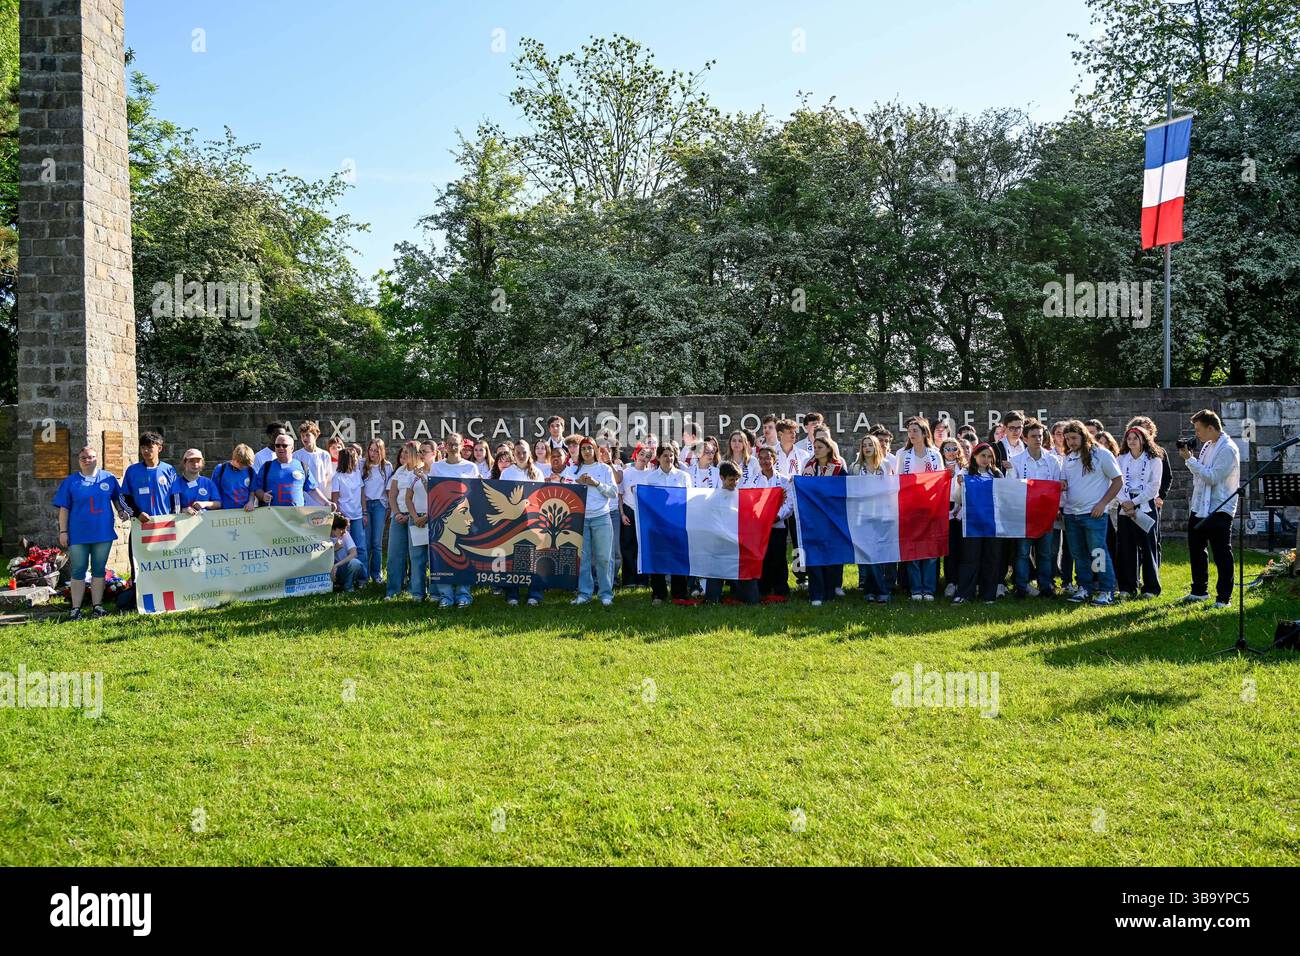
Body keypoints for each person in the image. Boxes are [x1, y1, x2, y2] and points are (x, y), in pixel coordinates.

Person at [53, 446, 129, 620]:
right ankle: (76, 608)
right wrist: (63, 531)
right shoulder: (71, 481)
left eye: (91, 457)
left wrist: (121, 512)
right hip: (78, 534)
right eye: (83, 458)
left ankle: (97, 606)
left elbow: (117, 500)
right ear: (79, 460)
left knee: (99, 570)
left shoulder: (109, 478)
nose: (87, 460)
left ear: (97, 459)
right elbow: (64, 509)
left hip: (102, 533)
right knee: (78, 570)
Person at [1180, 409, 1240, 609]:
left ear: (1211, 428)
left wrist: (1190, 460)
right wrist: (1191, 461)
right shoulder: (1208, 445)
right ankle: (1199, 591)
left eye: (1198, 429)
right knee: (1196, 549)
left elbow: (1212, 477)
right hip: (1200, 506)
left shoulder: (1228, 449)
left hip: (1220, 506)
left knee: (1222, 553)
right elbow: (1200, 476)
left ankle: (1224, 597)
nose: (1196, 433)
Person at [1059, 420, 1122, 606]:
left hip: (1093, 514)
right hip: (1071, 514)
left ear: (1084, 435)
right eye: (1068, 438)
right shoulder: (1067, 457)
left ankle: (1106, 590)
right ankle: (1084, 588)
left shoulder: (1101, 453)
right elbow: (1066, 483)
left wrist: (1103, 504)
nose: (1071, 442)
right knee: (1079, 554)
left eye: (1074, 438)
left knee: (1098, 553)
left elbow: (1118, 481)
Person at [562, 437, 618, 606]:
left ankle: (606, 593)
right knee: (583, 558)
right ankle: (584, 593)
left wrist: (596, 483)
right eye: (583, 449)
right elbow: (565, 488)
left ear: (595, 450)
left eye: (589, 448)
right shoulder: (573, 469)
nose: (586, 451)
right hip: (580, 518)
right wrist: (577, 483)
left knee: (604, 557)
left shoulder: (604, 469)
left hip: (601, 516)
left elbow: (613, 492)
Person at [1011, 419, 1062, 597]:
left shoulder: (1053, 460)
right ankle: (1022, 586)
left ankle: (1046, 585)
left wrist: (1057, 509)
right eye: (1033, 436)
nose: (1038, 439)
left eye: (1040, 436)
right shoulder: (1016, 461)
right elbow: (1013, 488)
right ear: (1025, 438)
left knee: (1045, 552)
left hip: (1046, 513)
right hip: (1024, 514)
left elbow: (1057, 487)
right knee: (1023, 552)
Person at [638, 443, 693, 604]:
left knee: (678, 557)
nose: (669, 458)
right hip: (657, 525)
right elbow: (647, 502)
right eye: (665, 455)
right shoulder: (650, 478)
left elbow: (688, 499)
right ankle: (659, 594)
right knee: (658, 557)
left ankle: (679, 593)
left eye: (671, 455)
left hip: (677, 524)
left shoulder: (683, 476)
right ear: (658, 458)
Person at [701, 463, 762, 605]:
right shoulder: (713, 498)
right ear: (722, 477)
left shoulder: (742, 497)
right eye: (731, 480)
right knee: (715, 573)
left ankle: (746, 596)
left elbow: (752, 517)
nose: (734, 483)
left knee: (745, 571)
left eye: (736, 479)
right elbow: (712, 522)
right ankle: (713, 598)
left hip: (738, 544)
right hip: (719, 543)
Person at [897, 417, 943, 601]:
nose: (912, 434)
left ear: (925, 433)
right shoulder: (903, 454)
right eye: (909, 431)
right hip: (910, 508)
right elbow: (899, 480)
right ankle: (916, 588)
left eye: (915, 430)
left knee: (930, 551)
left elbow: (940, 481)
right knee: (913, 549)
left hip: (931, 508)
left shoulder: (935, 454)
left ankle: (929, 589)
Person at [953, 443, 1004, 605]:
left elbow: (1003, 498)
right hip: (972, 523)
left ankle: (988, 594)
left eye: (989, 456)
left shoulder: (996, 474)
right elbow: (958, 500)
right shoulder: (965, 472)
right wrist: (961, 486)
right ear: (975, 456)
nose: (986, 459)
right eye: (983, 455)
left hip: (992, 523)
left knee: (992, 557)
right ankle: (965, 593)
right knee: (970, 558)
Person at [1115, 426, 1163, 598]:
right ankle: (1127, 587)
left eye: (1136, 438)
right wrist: (1124, 503)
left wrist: (1133, 503)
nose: (1132, 441)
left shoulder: (1154, 459)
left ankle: (1151, 588)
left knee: (1148, 547)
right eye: (1129, 438)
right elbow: (1116, 481)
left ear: (1143, 440)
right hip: (1125, 506)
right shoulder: (1121, 458)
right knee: (1126, 548)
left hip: (1145, 505)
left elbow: (1153, 487)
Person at [847, 435, 894, 603]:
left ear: (876, 447)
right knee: (867, 554)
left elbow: (891, 490)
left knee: (880, 553)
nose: (867, 448)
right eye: (864, 445)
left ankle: (873, 589)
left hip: (882, 515)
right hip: (862, 515)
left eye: (870, 445)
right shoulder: (855, 467)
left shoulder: (886, 465)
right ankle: (879, 590)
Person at [499, 440, 546, 606]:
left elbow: (541, 497)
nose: (521, 455)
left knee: (534, 557)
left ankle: (535, 594)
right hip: (513, 522)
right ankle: (512, 594)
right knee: (512, 557)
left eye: (524, 452)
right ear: (513, 454)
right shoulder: (507, 473)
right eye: (517, 452)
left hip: (533, 520)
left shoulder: (538, 472)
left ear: (529, 453)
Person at [801, 435, 845, 606]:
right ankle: (816, 593)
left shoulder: (838, 469)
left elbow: (845, 489)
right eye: (814, 447)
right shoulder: (809, 467)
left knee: (829, 554)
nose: (816, 450)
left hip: (831, 518)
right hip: (812, 517)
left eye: (820, 447)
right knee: (814, 554)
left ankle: (829, 591)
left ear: (828, 449)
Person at [751, 446, 793, 601]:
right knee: (763, 558)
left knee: (779, 558)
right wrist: (760, 517)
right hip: (759, 527)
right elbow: (750, 502)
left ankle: (781, 589)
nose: (764, 461)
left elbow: (789, 503)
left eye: (767, 457)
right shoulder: (754, 481)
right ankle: (763, 588)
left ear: (774, 459)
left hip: (778, 526)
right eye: (761, 458)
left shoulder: (783, 480)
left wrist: (777, 516)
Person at [247, 433, 331, 509]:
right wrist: (263, 496)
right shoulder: (266, 466)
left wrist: (326, 503)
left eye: (284, 445)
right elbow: (256, 488)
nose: (280, 448)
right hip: (272, 516)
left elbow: (312, 490)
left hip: (297, 516)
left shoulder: (302, 466)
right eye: (277, 445)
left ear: (292, 448)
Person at [384, 441, 420, 600]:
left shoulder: (423, 471)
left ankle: (415, 590)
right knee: (394, 554)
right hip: (398, 516)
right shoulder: (400, 470)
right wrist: (397, 513)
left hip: (417, 516)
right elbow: (392, 495)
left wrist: (412, 515)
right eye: (403, 452)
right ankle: (393, 590)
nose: (403, 455)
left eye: (407, 452)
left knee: (416, 556)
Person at [122, 432, 179, 524]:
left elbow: (175, 497)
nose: (146, 451)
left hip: (164, 523)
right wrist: (137, 513)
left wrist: (172, 518)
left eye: (149, 447)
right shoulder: (132, 471)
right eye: (143, 448)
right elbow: (124, 496)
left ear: (159, 448)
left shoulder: (169, 470)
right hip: (139, 523)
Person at [619, 443, 654, 587]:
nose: (643, 458)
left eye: (647, 457)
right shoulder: (626, 472)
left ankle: (643, 580)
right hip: (628, 510)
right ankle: (629, 580)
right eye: (642, 455)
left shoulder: (651, 474)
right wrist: (622, 514)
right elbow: (620, 495)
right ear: (636, 454)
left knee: (643, 546)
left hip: (644, 512)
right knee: (627, 545)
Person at [331, 447, 367, 582]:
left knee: (361, 548)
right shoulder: (337, 477)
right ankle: (348, 578)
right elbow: (335, 499)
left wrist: (365, 512)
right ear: (350, 460)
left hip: (358, 516)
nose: (358, 460)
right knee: (346, 549)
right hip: (345, 518)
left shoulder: (357, 474)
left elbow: (362, 494)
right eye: (356, 458)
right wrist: (340, 519)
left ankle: (363, 578)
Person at [361, 439, 393, 585]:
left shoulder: (386, 466)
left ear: (381, 451)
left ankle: (377, 574)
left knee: (377, 543)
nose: (372, 453)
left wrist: (388, 508)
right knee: (366, 543)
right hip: (366, 504)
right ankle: (365, 575)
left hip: (380, 505)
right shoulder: (362, 464)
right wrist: (363, 510)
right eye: (371, 449)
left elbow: (389, 489)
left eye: (376, 450)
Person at [939, 437, 967, 597]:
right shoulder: (938, 466)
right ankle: (950, 581)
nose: (951, 452)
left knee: (962, 548)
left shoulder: (965, 467)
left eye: (954, 449)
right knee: (949, 549)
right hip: (943, 510)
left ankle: (962, 581)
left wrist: (959, 509)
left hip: (961, 510)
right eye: (947, 449)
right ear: (942, 451)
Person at [293, 421, 334, 498]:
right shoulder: (296, 456)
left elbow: (328, 475)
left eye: (308, 435)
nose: (304, 438)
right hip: (304, 500)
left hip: (322, 499)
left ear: (315, 436)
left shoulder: (325, 455)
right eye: (302, 436)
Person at [173, 449, 222, 513]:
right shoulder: (176, 483)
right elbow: (171, 508)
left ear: (202, 463)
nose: (195, 464)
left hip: (205, 521)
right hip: (183, 522)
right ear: (184, 463)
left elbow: (218, 504)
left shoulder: (208, 483)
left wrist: (204, 504)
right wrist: (183, 510)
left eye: (198, 461)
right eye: (191, 461)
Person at [212, 444, 255, 510]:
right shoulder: (220, 469)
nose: (244, 467)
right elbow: (214, 492)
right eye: (242, 464)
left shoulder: (250, 471)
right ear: (235, 459)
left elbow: (252, 491)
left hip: (244, 511)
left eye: (247, 465)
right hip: (223, 512)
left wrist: (251, 502)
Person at [329, 514, 365, 591]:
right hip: (330, 569)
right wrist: (334, 549)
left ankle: (348, 586)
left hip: (343, 567)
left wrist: (336, 565)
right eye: (341, 529)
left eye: (345, 528)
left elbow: (354, 553)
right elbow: (320, 558)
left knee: (355, 563)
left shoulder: (345, 535)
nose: (344, 531)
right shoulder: (325, 537)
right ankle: (332, 585)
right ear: (333, 528)